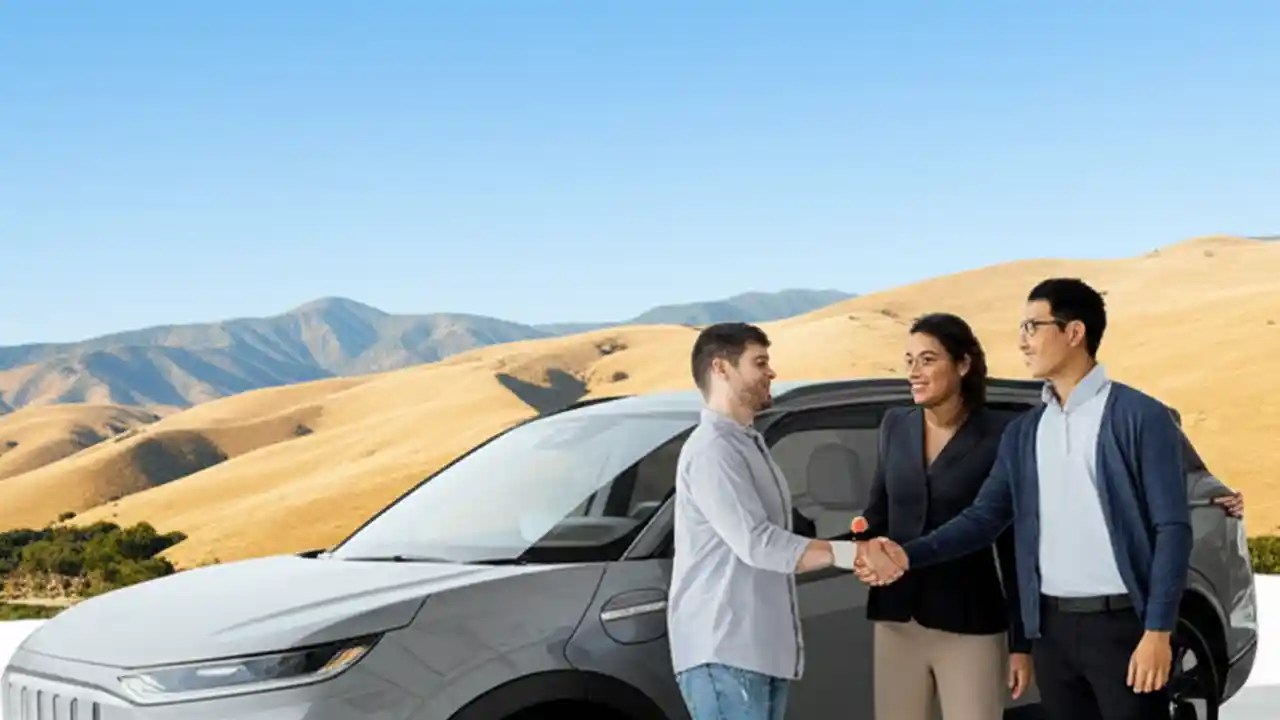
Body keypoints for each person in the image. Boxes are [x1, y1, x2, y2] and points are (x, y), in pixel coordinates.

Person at [855, 278, 1245, 720]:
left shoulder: (1141, 417)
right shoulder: (1025, 432)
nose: (1023, 341)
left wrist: (1158, 630)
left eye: (1032, 327)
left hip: (1122, 627)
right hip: (1053, 634)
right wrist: (908, 555)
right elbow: (984, 518)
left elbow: (1172, 529)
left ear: (1074, 332)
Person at [667, 322, 865, 720]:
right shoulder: (713, 451)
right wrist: (853, 555)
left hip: (754, 652)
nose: (770, 373)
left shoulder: (746, 444)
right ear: (721, 368)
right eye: (760, 362)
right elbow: (758, 543)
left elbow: (778, 535)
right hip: (726, 652)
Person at [850, 312, 1033, 720]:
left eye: (928, 359)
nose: (914, 372)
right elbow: (878, 512)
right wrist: (864, 546)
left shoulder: (1004, 434)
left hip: (969, 625)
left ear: (963, 364)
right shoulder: (895, 424)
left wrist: (1022, 643)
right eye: (909, 360)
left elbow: (1011, 542)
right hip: (896, 620)